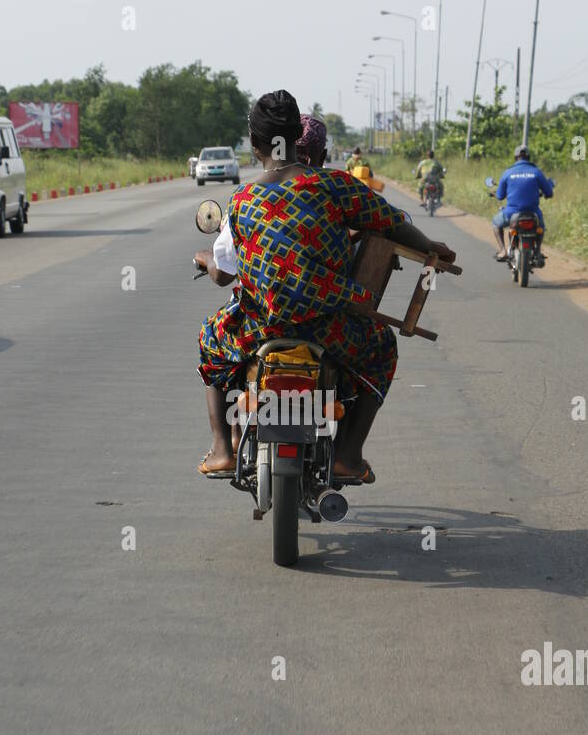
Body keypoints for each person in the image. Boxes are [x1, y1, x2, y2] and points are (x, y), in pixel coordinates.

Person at [196, 90, 455, 480]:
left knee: (210, 338)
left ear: (254, 145)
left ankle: (222, 450)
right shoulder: (335, 185)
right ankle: (348, 456)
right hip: (331, 328)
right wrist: (430, 245)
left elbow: (224, 269)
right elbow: (393, 223)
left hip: (259, 327)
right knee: (382, 347)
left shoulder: (241, 199)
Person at [492, 145, 553, 260]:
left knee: (496, 224)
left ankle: (503, 250)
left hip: (511, 212)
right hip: (533, 212)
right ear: (528, 157)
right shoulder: (537, 172)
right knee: (541, 228)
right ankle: (538, 251)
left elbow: (500, 196)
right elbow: (549, 193)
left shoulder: (508, 172)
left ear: (516, 158)